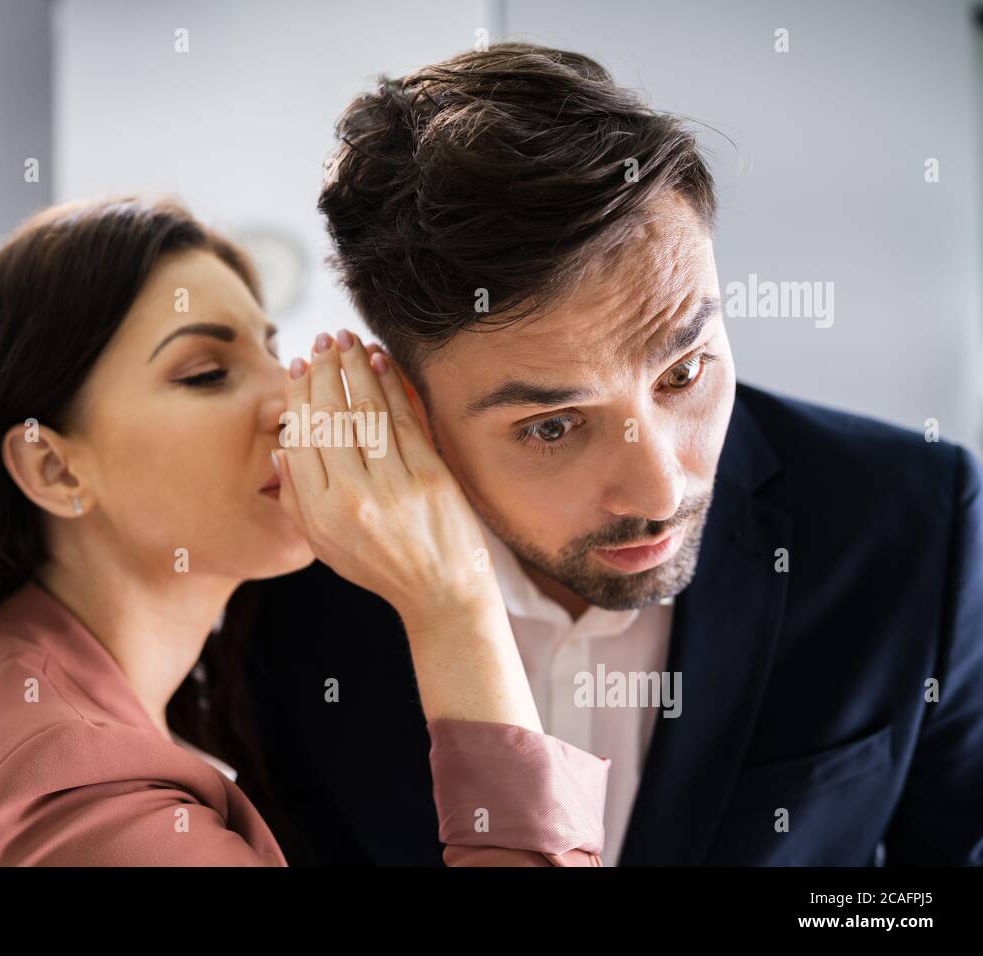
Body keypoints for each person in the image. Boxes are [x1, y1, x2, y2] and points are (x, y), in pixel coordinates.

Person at [237, 43, 983, 866]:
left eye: (684, 372)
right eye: (553, 426)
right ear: (410, 410)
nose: (661, 486)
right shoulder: (294, 586)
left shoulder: (909, 517)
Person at [0, 196, 608, 866]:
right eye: (205, 373)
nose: (290, 399)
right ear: (55, 469)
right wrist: (456, 605)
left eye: (271, 351)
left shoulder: (35, 702)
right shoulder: (80, 794)